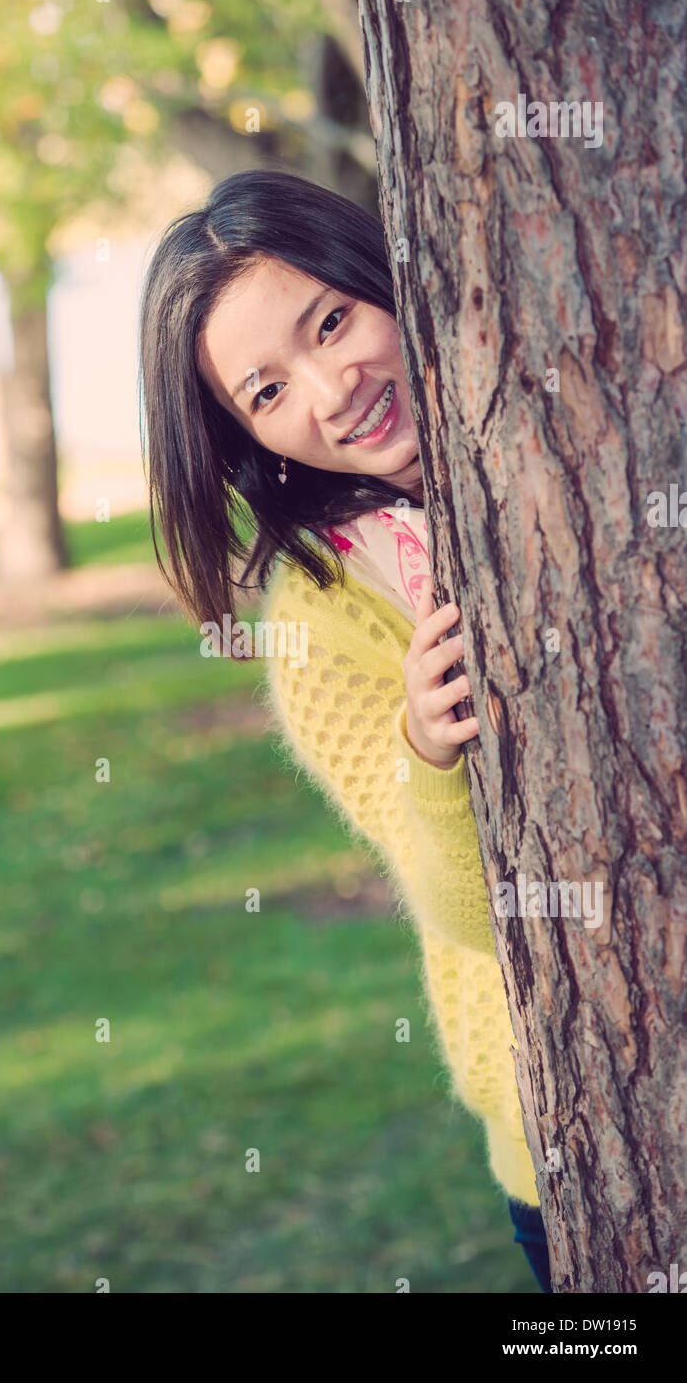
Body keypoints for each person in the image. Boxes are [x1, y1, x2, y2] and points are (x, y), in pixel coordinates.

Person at [139, 167, 552, 1292]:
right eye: (267, 393)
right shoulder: (321, 617)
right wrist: (429, 751)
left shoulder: (569, 423)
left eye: (331, 319)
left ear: (387, 274)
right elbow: (465, 910)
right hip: (569, 1127)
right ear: (247, 441)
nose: (333, 387)